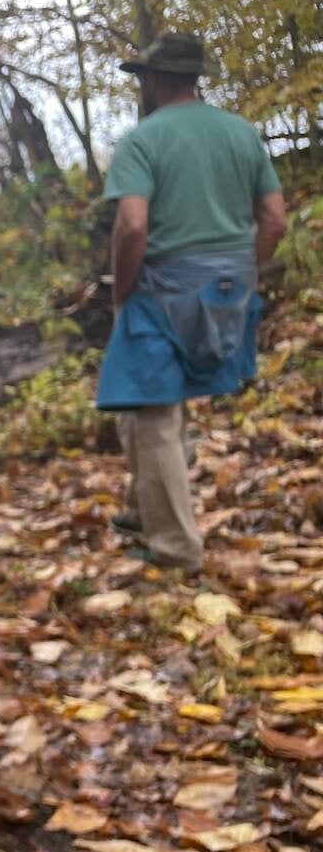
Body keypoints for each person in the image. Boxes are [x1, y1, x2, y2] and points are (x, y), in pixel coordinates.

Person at [97, 33, 287, 573]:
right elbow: (274, 218)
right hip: (228, 287)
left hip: (161, 287)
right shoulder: (241, 133)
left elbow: (133, 224)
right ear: (196, 78)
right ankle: (142, 507)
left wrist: (122, 292)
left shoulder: (142, 141)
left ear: (153, 80)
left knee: (152, 411)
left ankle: (176, 550)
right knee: (146, 401)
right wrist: (243, 272)